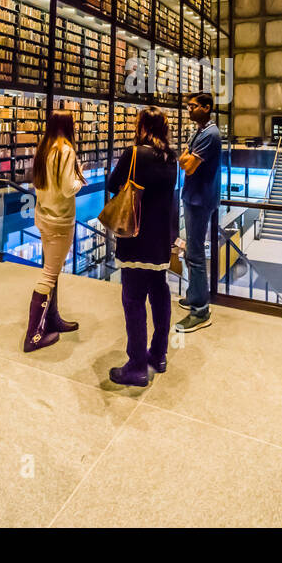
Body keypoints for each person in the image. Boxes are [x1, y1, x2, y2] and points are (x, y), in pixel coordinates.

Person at [106, 106, 178, 386]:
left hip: (136, 236)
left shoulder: (134, 153)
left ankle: (136, 366)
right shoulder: (171, 157)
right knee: (159, 293)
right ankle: (158, 355)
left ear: (142, 125)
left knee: (133, 299)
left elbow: (113, 184)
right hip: (161, 238)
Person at [23, 109, 85, 352]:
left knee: (52, 269)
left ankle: (52, 318)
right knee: (49, 274)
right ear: (68, 125)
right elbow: (69, 189)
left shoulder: (43, 148)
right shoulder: (66, 151)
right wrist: (81, 179)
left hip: (44, 215)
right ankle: (33, 336)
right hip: (60, 219)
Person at [175, 92, 222, 333]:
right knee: (192, 252)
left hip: (200, 199)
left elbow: (188, 165)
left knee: (195, 253)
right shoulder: (199, 131)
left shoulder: (210, 134)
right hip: (193, 196)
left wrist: (186, 159)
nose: (189, 110)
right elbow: (183, 159)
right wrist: (185, 159)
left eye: (193, 106)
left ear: (206, 107)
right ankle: (194, 296)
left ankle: (201, 310)